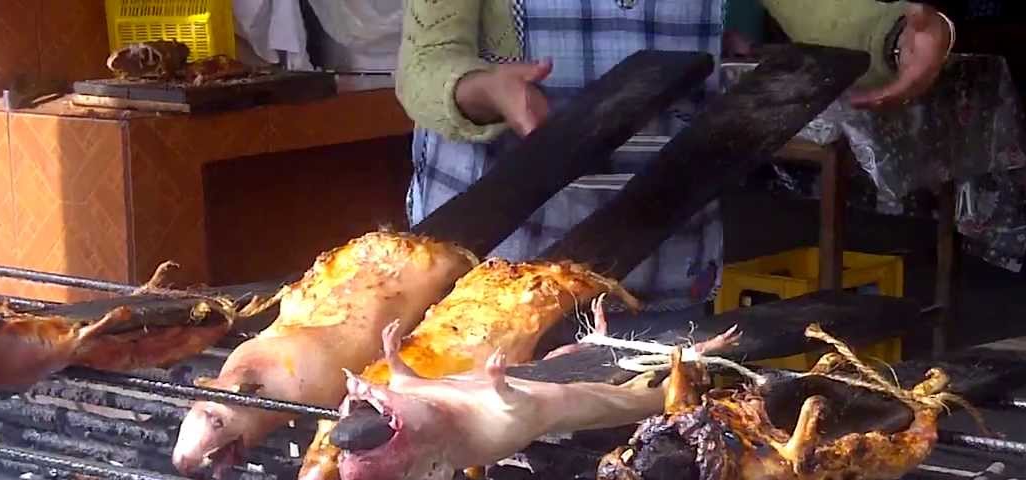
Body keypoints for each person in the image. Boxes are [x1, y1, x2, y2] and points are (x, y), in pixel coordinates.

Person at [395, 0, 955, 315]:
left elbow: (828, 12)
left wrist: (893, 38)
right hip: (492, 252)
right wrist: (480, 87)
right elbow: (425, 63)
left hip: (661, 237)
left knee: (649, 451)